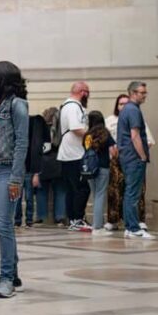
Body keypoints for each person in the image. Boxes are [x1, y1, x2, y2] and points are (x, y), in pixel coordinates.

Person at [0, 61, 28, 299]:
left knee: (3, 224)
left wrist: (16, 179)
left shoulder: (17, 105)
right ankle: (12, 275)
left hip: (7, 170)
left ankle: (7, 278)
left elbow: (22, 143)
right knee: (0, 224)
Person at [118, 81, 155, 239]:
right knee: (133, 193)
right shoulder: (133, 110)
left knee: (130, 192)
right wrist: (143, 156)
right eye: (142, 92)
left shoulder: (128, 109)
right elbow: (135, 135)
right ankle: (133, 227)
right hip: (134, 157)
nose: (145, 95)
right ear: (133, 93)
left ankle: (129, 227)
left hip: (127, 156)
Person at [105, 94, 146, 230]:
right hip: (116, 159)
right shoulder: (110, 120)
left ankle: (136, 221)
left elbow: (147, 139)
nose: (123, 106)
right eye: (120, 104)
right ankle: (114, 220)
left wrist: (141, 155)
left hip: (132, 157)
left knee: (134, 191)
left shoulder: (134, 116)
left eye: (125, 103)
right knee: (115, 191)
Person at [56, 82, 91, 232]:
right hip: (74, 154)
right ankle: (77, 219)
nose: (88, 96)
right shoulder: (72, 107)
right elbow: (76, 128)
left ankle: (73, 219)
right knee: (82, 188)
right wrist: (93, 135)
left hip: (69, 153)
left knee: (72, 189)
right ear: (83, 92)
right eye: (88, 92)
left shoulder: (69, 106)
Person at [83, 111, 116, 236]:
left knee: (95, 195)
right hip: (102, 167)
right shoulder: (105, 133)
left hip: (89, 169)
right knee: (100, 196)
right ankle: (97, 227)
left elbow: (86, 150)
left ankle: (98, 225)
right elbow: (113, 151)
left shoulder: (87, 135)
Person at [36, 107, 67, 225]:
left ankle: (41, 216)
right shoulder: (60, 129)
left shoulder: (40, 128)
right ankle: (60, 216)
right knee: (60, 190)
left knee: (41, 191)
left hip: (42, 163)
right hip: (58, 162)